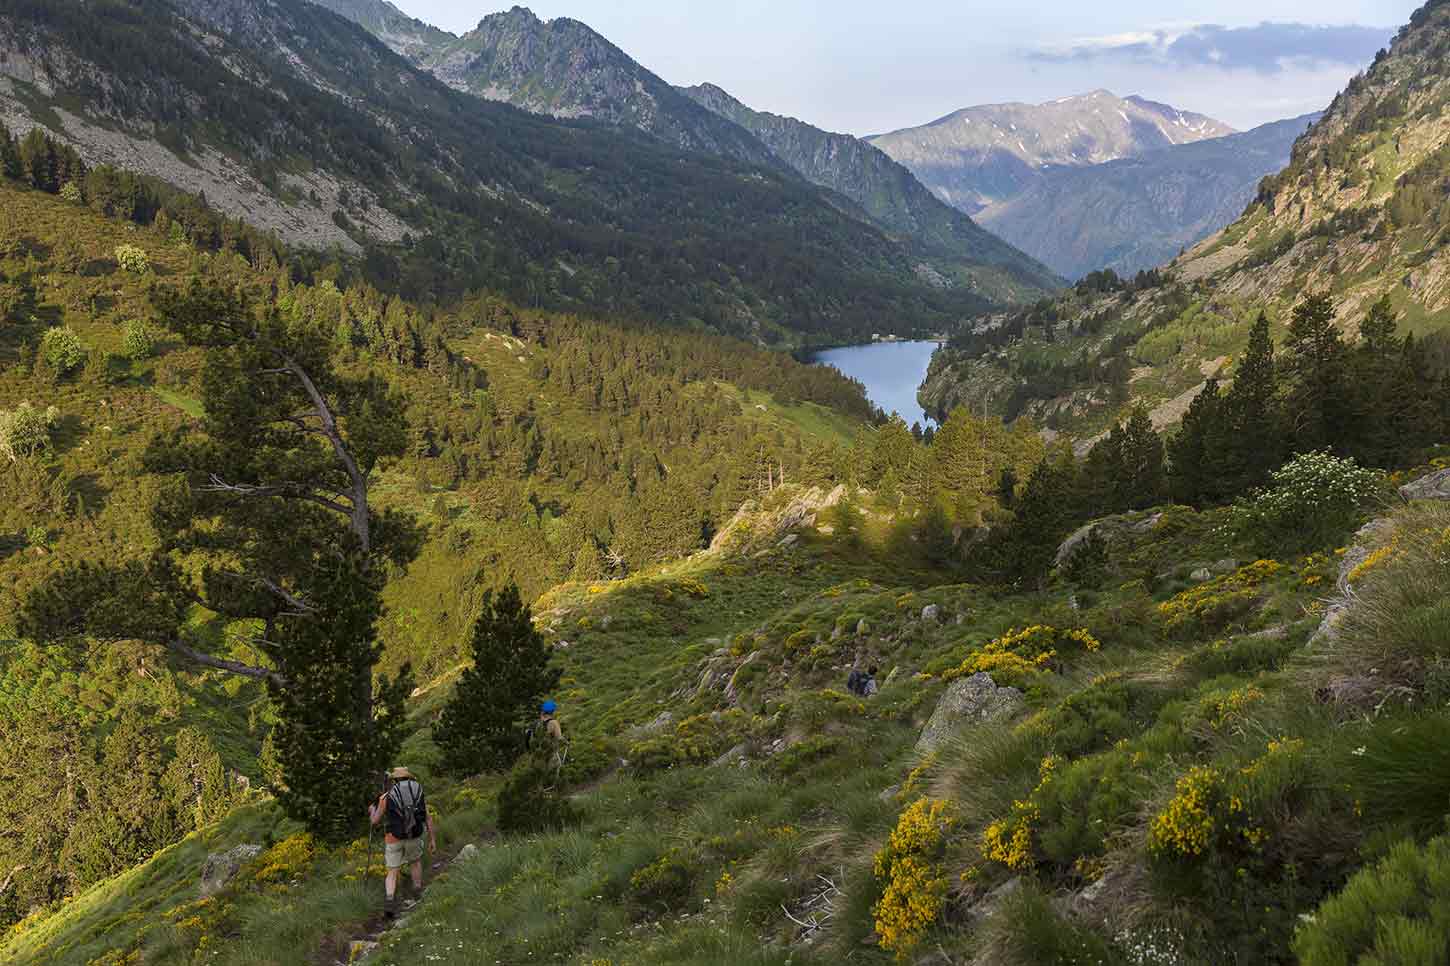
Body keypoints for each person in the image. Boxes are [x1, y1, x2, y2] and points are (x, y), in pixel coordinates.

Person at [368, 766, 437, 917]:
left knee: (392, 871)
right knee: (415, 862)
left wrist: (371, 811)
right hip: (414, 836)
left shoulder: (386, 797)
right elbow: (428, 817)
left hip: (393, 838)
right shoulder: (417, 792)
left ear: (395, 780)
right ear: (408, 778)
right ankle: (417, 893)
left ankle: (389, 902)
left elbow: (374, 821)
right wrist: (432, 839)